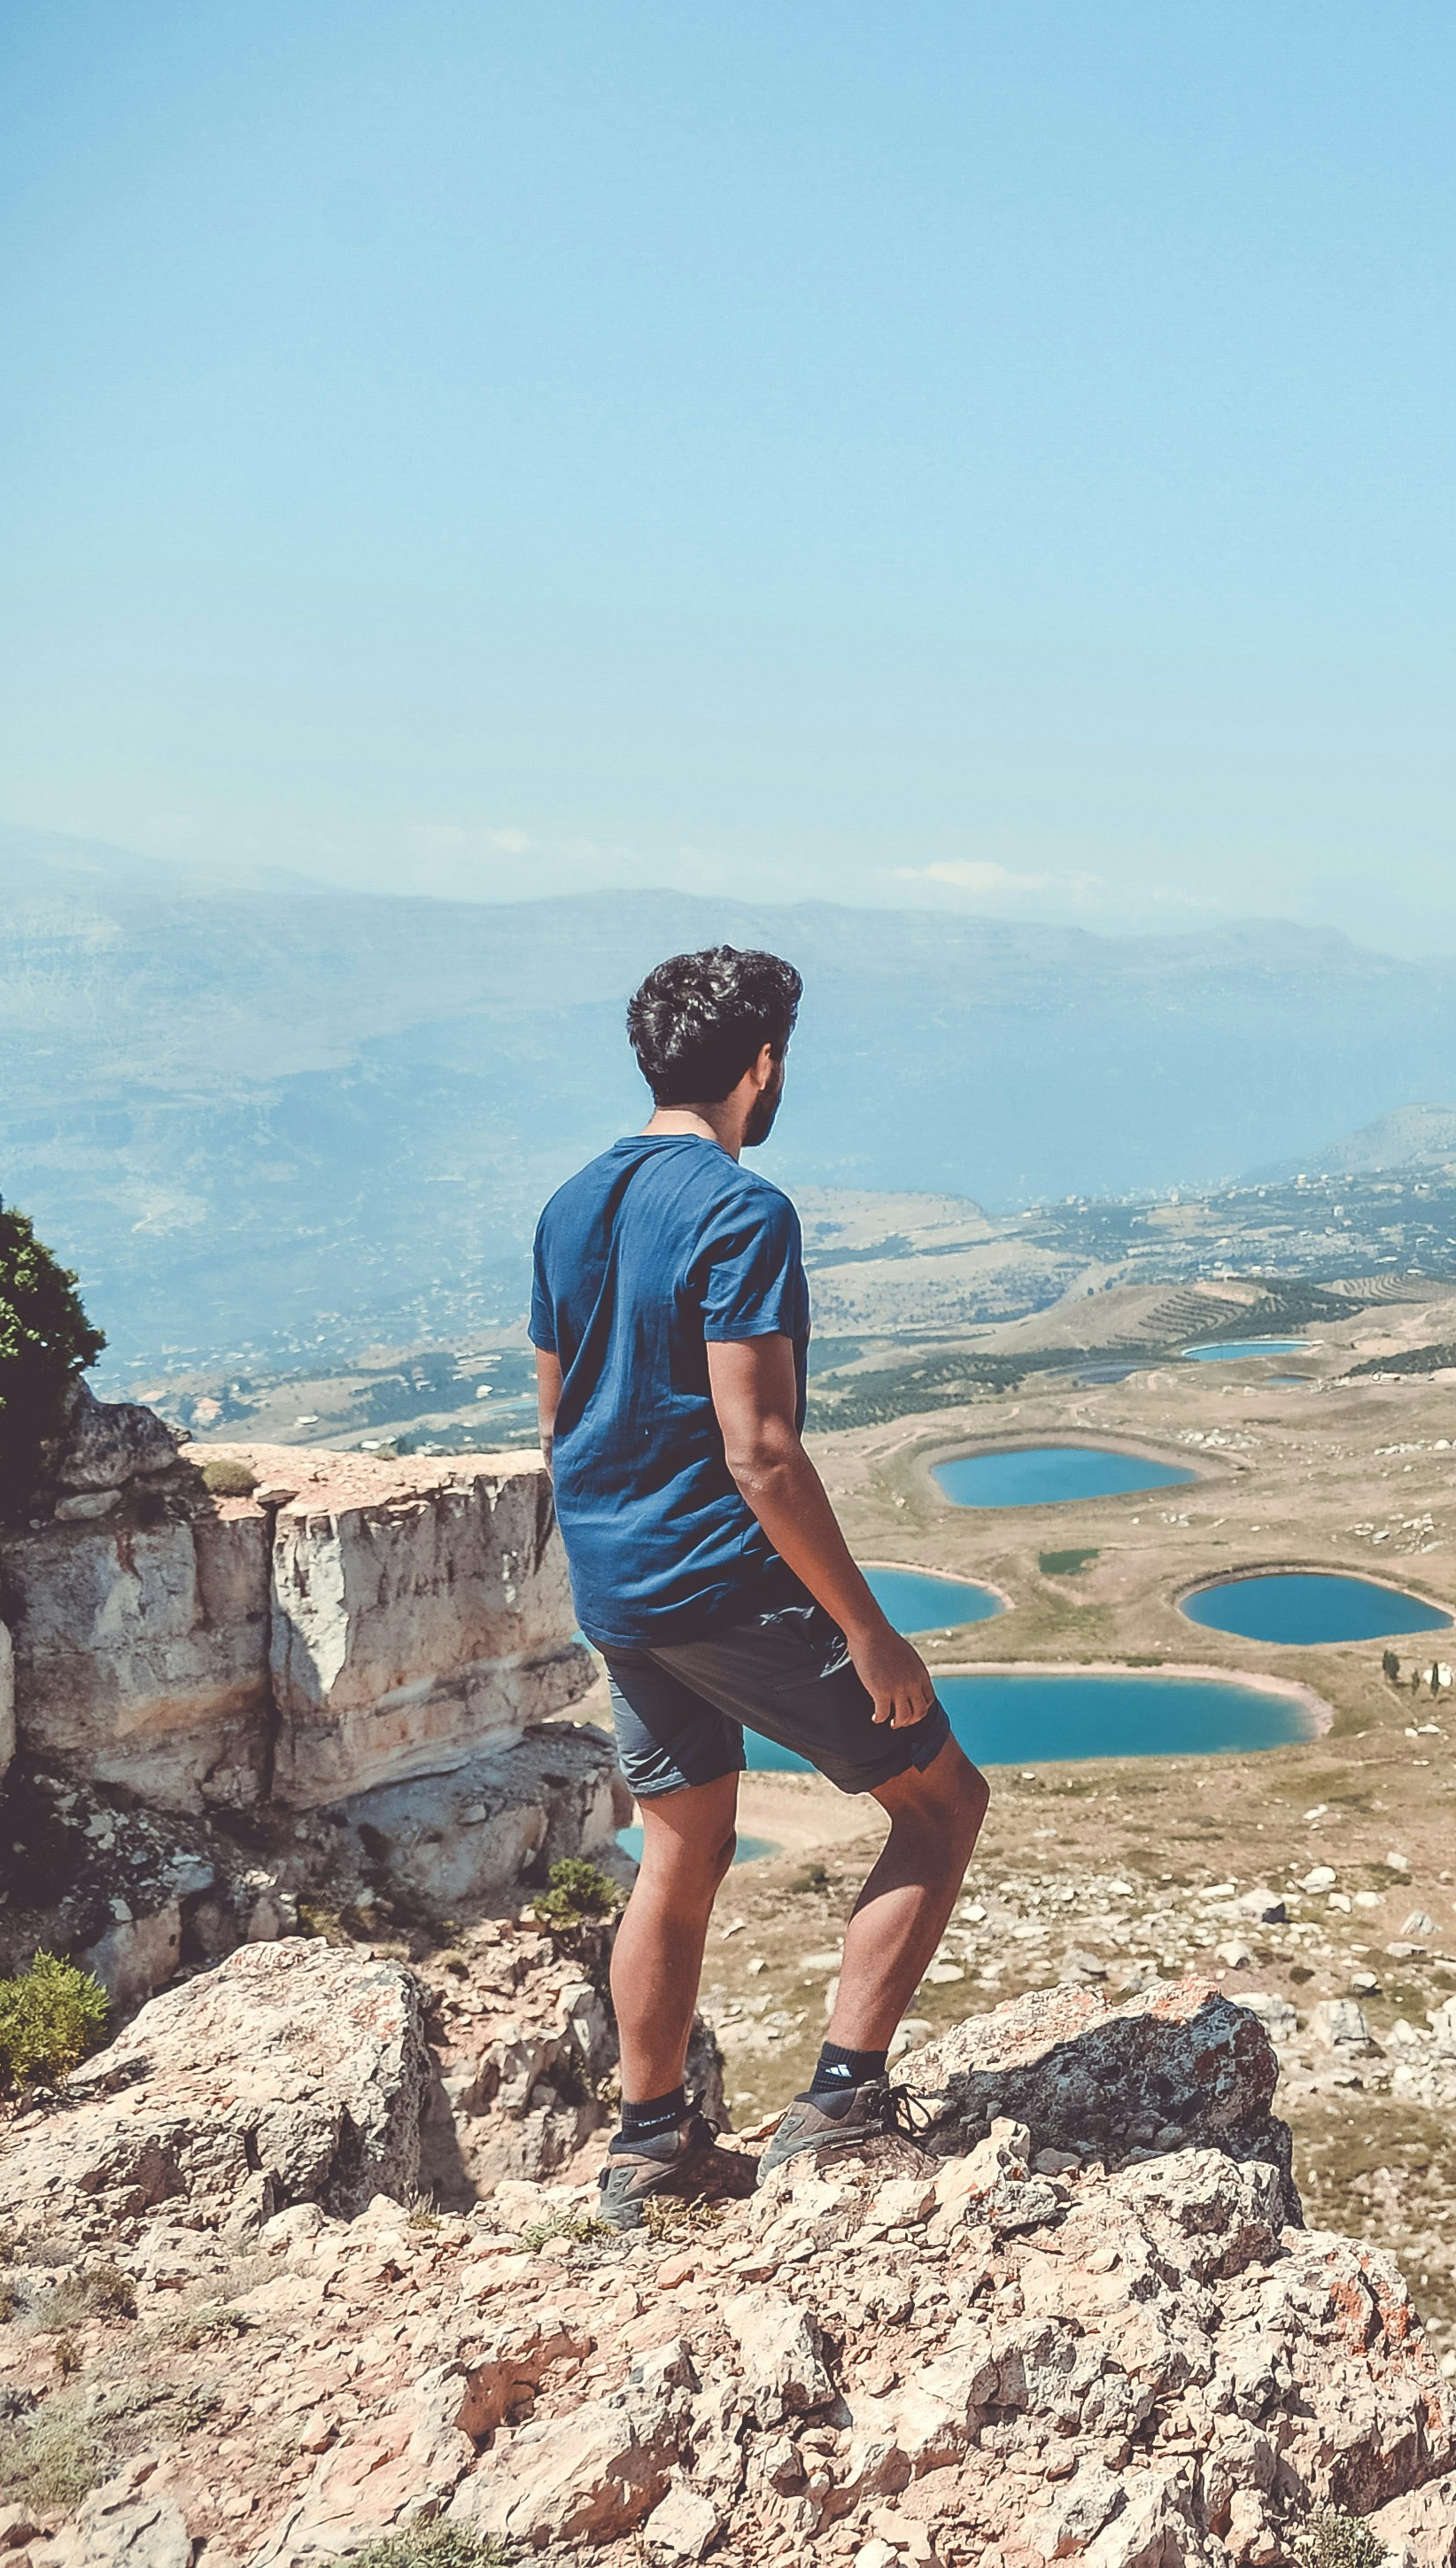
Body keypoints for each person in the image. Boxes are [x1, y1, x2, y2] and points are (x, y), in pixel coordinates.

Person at [531, 945, 989, 2228]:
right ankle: (842, 2100)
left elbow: (558, 1414)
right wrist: (868, 1631)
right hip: (725, 1584)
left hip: (618, 1585)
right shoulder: (742, 1209)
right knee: (944, 1803)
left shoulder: (573, 1201)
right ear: (763, 1064)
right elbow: (762, 1451)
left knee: (682, 1846)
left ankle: (649, 2140)